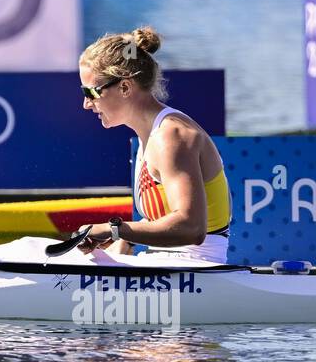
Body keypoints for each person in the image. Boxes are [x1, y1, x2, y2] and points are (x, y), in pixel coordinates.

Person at [76, 26, 231, 262]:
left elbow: (192, 228)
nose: (86, 104)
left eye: (91, 92)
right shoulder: (151, 134)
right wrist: (124, 240)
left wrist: (114, 229)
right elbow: (167, 216)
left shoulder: (171, 136)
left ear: (125, 87)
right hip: (168, 267)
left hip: (194, 276)